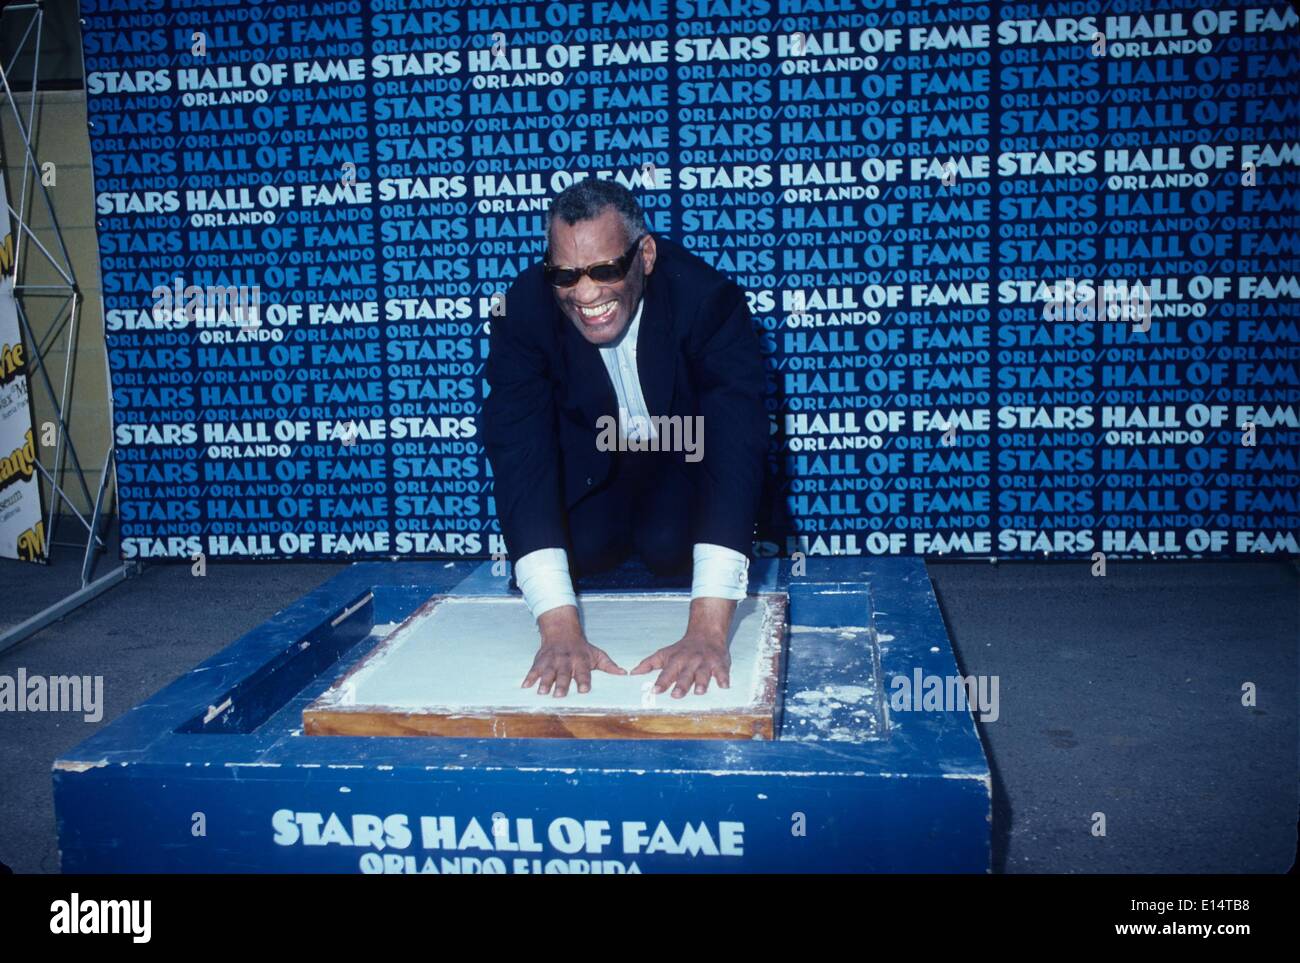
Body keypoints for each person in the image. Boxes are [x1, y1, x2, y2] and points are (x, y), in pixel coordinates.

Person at [481, 178, 767, 699]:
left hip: (682, 463)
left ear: (646, 255)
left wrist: (708, 631)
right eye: (566, 275)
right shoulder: (522, 311)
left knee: (669, 546)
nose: (586, 294)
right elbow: (520, 454)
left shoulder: (708, 300)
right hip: (591, 470)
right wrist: (559, 630)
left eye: (606, 270)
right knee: (579, 551)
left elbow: (734, 448)